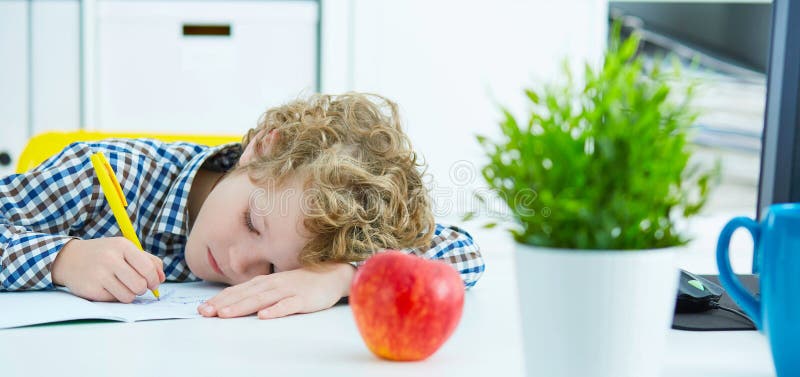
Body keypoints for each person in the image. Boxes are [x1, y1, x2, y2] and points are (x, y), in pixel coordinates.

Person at [0, 93, 485, 320]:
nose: (238, 264)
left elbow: (464, 252)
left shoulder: (324, 246)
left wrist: (343, 276)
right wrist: (63, 259)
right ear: (261, 149)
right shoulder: (109, 173)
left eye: (273, 266)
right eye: (252, 223)